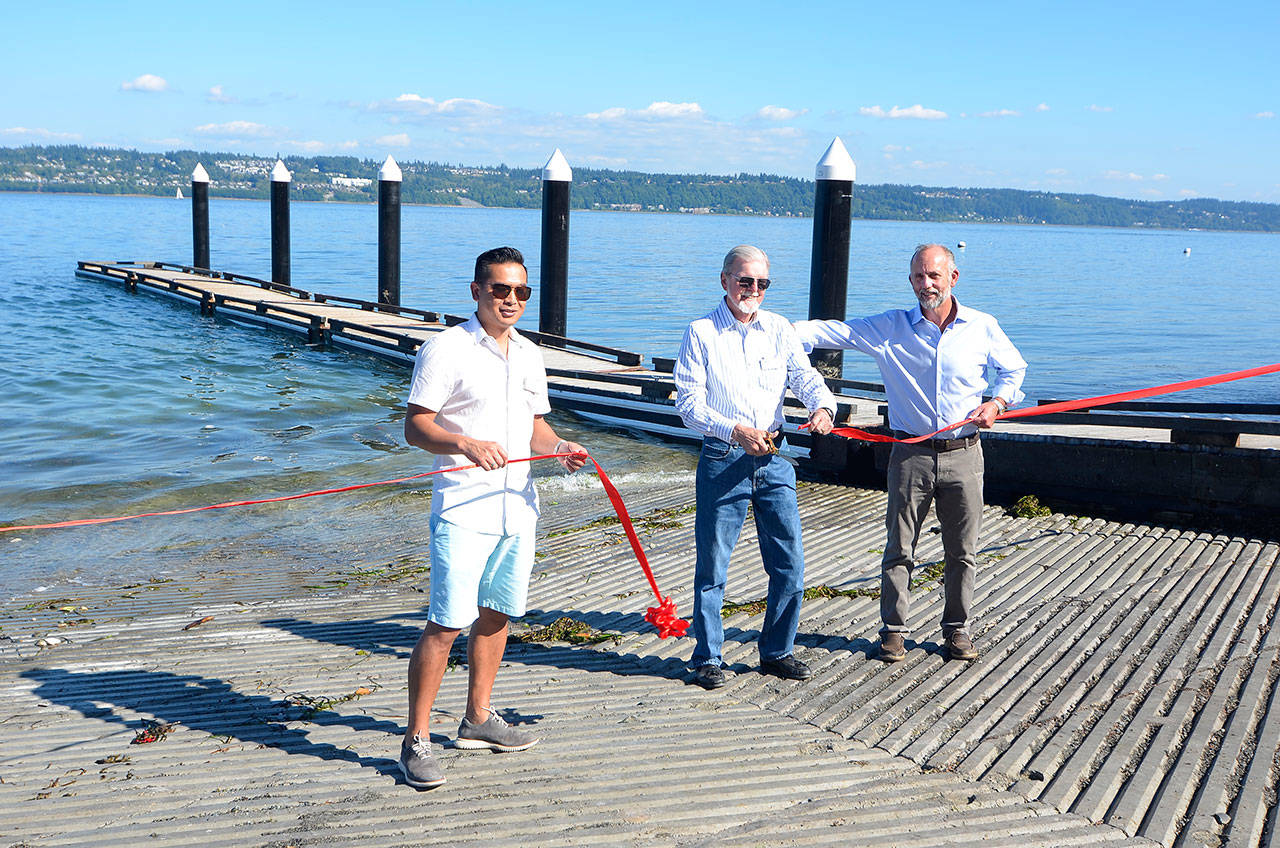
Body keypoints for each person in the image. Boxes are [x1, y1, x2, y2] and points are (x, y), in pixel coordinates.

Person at [399, 246, 587, 789]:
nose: (511, 300)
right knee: (446, 624)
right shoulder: (444, 349)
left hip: (518, 508)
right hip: (462, 506)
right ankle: (415, 739)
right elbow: (416, 428)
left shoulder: (529, 354)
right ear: (477, 290)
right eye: (500, 289)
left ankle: (477, 719)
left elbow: (537, 429)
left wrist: (558, 449)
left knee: (498, 614)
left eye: (520, 292)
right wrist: (464, 443)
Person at [795, 243, 1026, 663]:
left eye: (934, 276)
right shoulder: (891, 328)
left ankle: (957, 630)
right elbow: (829, 332)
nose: (926, 284)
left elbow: (1014, 370)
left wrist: (997, 403)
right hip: (909, 454)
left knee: (963, 551)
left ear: (953, 278)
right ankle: (893, 631)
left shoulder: (982, 326)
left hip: (965, 453)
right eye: (919, 277)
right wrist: (765, 328)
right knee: (899, 548)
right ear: (911, 281)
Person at [674, 244, 837, 690]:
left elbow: (805, 377)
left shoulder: (780, 328)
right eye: (745, 281)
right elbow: (688, 406)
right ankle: (708, 656)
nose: (754, 290)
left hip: (774, 458)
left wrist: (823, 406)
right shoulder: (701, 332)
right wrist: (733, 431)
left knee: (790, 563)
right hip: (722, 457)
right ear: (724, 280)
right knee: (713, 567)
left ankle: (777, 651)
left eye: (762, 283)